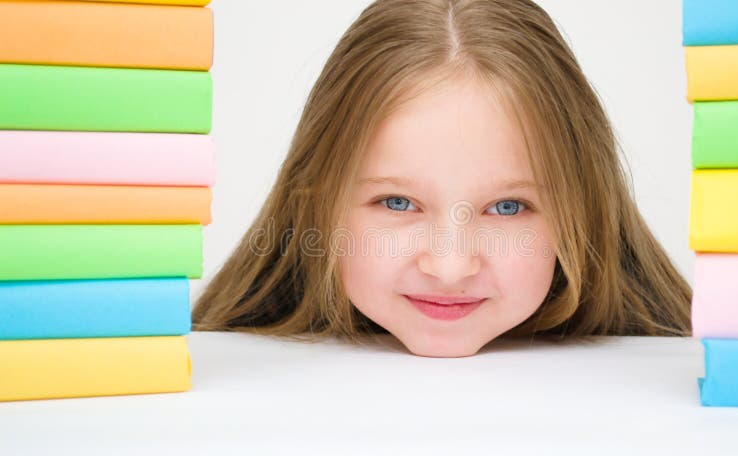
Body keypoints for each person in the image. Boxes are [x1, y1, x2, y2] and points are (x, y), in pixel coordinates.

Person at [192, 0, 692, 357]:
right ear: (315, 200)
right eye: (397, 202)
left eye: (507, 207)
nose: (450, 268)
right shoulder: (214, 362)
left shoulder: (674, 367)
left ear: (584, 207)